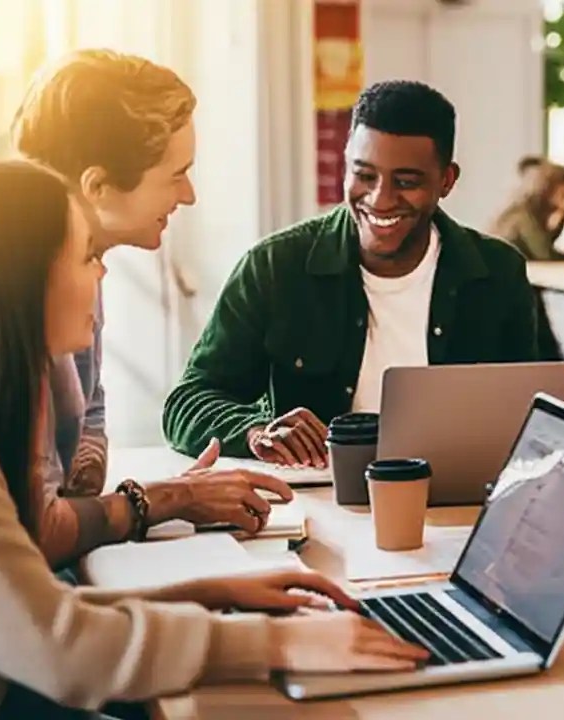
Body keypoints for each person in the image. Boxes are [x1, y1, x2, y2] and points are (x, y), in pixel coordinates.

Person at [0, 160, 427, 719]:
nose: (102, 277)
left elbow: (30, 615)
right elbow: (64, 651)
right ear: (21, 281)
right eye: (87, 257)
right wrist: (278, 643)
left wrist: (209, 593)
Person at [12, 49, 296, 569]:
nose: (188, 195)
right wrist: (165, 500)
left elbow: (84, 437)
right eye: (175, 175)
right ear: (97, 186)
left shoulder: (83, 273)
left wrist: (151, 501)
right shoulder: (16, 298)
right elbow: (34, 527)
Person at [162, 80, 539, 466]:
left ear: (446, 180)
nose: (380, 199)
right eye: (364, 175)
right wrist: (258, 431)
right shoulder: (276, 267)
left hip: (455, 502)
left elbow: (535, 414)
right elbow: (187, 404)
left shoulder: (498, 274)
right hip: (316, 503)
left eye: (406, 182)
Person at [491, 159, 564, 262]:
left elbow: (546, 244)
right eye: (563, 194)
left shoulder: (537, 212)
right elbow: (543, 254)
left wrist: (562, 214)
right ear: (548, 190)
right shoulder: (523, 213)